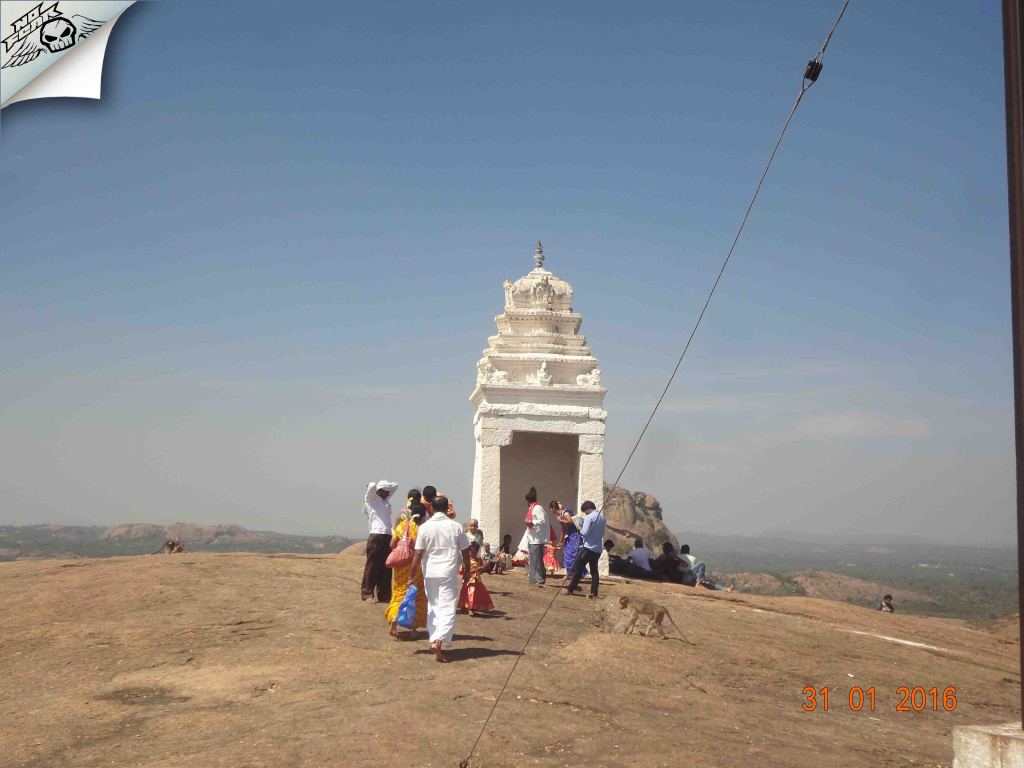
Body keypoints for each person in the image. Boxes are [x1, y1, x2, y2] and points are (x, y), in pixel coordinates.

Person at [408, 496, 472, 663]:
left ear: (432, 509)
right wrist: (467, 570)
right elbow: (465, 552)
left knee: (434, 606)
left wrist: (411, 574)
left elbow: (418, 553)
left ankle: (435, 638)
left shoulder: (425, 527)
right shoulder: (455, 526)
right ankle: (439, 641)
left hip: (429, 572)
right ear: (446, 509)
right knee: (448, 607)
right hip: (448, 572)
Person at [385, 503, 428, 638]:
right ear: (423, 516)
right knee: (417, 596)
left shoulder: (403, 525)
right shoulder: (423, 529)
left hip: (401, 567)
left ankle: (394, 618)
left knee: (399, 593)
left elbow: (392, 544)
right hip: (416, 568)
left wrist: (401, 549)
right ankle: (414, 629)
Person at [362, 480, 399, 603]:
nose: (387, 493)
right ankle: (367, 594)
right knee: (373, 565)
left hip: (388, 535)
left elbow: (395, 486)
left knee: (386, 566)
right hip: (377, 535)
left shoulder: (386, 501)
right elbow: (372, 486)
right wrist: (373, 486)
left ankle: (384, 595)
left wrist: (386, 487)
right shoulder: (371, 499)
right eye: (385, 491)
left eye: (388, 492)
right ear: (379, 490)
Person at [561, 500, 606, 598]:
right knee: (594, 571)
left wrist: (578, 527)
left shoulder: (589, 517)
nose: (585, 513)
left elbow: (584, 532)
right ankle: (594, 592)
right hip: (597, 548)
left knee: (578, 568)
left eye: (585, 511)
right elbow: (602, 533)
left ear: (588, 509)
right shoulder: (602, 517)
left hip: (587, 547)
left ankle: (570, 589)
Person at [458, 542, 495, 616]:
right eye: (471, 551)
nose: (473, 553)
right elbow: (461, 570)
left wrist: (483, 568)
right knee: (466, 593)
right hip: (467, 579)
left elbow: (482, 569)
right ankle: (465, 607)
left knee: (474, 594)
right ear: (469, 551)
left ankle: (471, 608)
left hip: (476, 580)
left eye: (475, 551)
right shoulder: (466, 560)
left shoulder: (479, 560)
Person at [524, 486, 549, 586]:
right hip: (532, 537)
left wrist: (530, 521)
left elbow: (542, 520)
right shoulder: (532, 508)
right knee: (532, 559)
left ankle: (540, 579)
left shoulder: (538, 508)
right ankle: (533, 578)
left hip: (537, 538)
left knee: (538, 560)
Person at [556, 502, 584, 577]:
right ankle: (571, 575)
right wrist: (561, 542)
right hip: (570, 537)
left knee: (571, 555)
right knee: (567, 555)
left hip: (575, 537)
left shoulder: (565, 513)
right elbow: (563, 529)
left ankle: (573, 576)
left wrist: (560, 520)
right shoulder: (561, 515)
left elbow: (569, 521)